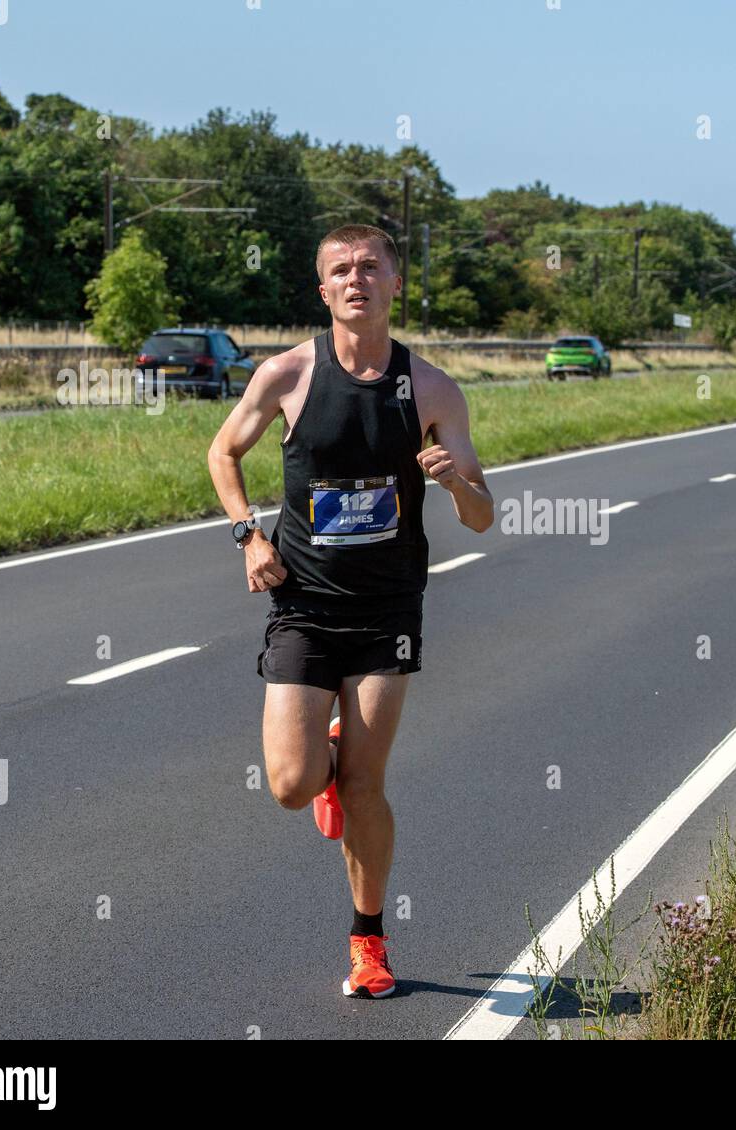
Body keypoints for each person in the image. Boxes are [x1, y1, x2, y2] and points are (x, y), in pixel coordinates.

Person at [207, 224, 494, 1000]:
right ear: (323, 288)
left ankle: (368, 943)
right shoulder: (289, 375)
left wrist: (453, 482)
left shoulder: (432, 389)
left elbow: (481, 516)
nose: (357, 278)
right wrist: (247, 534)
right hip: (302, 603)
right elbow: (222, 453)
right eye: (341, 269)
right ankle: (324, 764)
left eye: (371, 266)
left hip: (386, 607)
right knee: (293, 786)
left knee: (366, 784)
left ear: (397, 281)